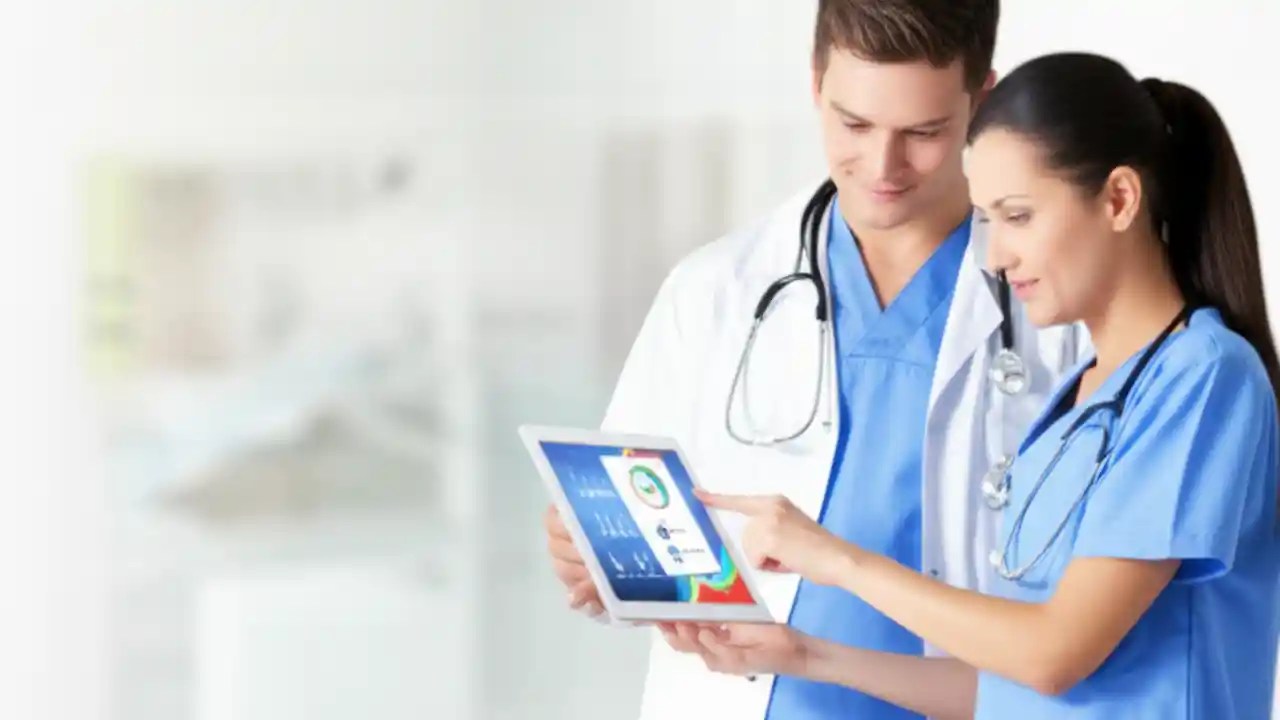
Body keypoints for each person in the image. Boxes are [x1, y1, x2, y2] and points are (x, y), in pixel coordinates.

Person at [669, 52, 1280, 719]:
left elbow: (1054, 655)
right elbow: (1006, 689)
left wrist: (836, 560)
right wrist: (802, 654)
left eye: (1017, 217)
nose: (995, 256)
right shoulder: (1075, 403)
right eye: (987, 220)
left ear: (1119, 199)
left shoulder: (1204, 377)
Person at [545, 2, 1090, 718]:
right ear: (815, 83)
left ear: (981, 102)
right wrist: (590, 560)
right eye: (853, 124)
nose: (883, 167)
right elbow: (630, 543)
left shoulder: (1061, 312)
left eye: (923, 132)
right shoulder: (715, 290)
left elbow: (1085, 619)